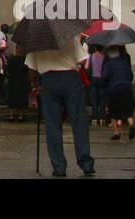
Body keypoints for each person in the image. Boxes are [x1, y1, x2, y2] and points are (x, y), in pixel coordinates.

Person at [26, 36, 95, 176]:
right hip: (70, 78)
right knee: (79, 121)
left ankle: (59, 166)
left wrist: (35, 85)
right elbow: (83, 60)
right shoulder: (70, 37)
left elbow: (31, 69)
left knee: (53, 125)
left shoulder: (37, 41)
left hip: (49, 80)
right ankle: (85, 163)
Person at [102, 45, 135, 140]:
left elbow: (105, 77)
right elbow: (130, 75)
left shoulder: (109, 64)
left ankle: (117, 132)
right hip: (127, 87)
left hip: (114, 89)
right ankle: (131, 124)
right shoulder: (125, 62)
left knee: (113, 111)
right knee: (128, 109)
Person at [6, 42, 30, 122]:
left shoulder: (12, 59)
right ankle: (17, 115)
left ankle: (13, 115)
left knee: (15, 97)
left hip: (15, 80)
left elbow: (8, 69)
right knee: (19, 98)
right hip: (20, 80)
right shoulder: (25, 60)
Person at [87, 44, 106, 126]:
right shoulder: (105, 57)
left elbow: (86, 67)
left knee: (94, 99)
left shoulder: (90, 56)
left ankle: (94, 118)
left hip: (93, 79)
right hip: (102, 79)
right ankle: (102, 118)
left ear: (95, 48)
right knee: (102, 99)